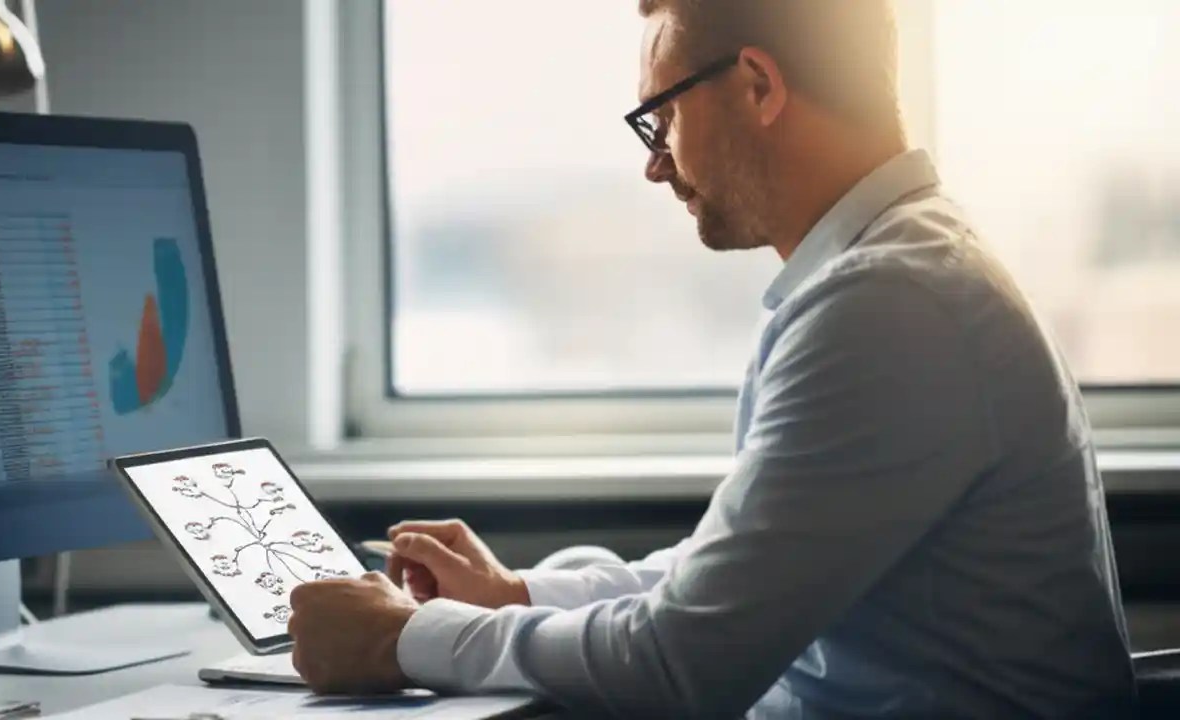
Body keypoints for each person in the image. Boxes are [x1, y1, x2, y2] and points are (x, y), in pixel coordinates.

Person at [286, 1, 1138, 716]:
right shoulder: (899, 271)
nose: (656, 166)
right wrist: (518, 597)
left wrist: (400, 640)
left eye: (662, 118)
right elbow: (726, 579)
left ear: (759, 86)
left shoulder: (888, 305)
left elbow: (680, 664)